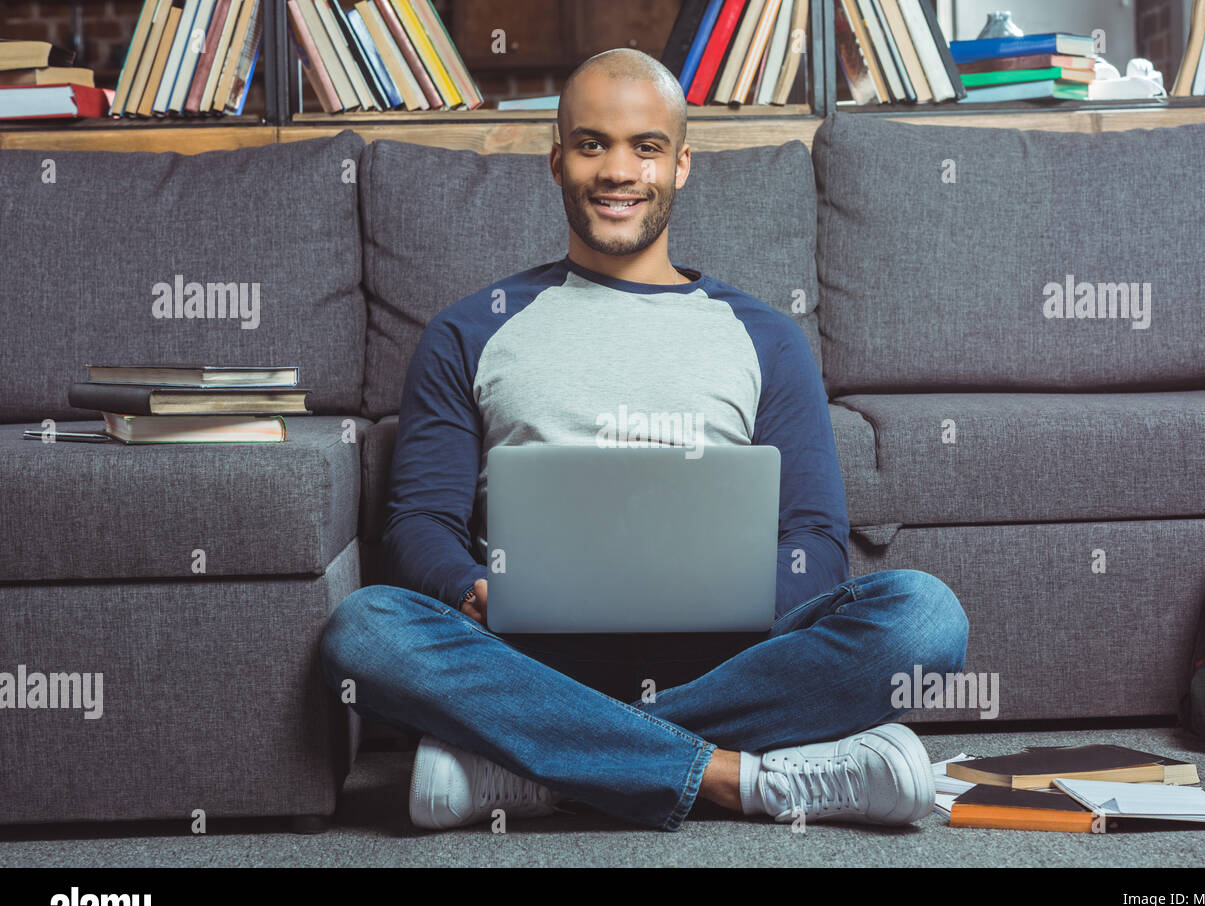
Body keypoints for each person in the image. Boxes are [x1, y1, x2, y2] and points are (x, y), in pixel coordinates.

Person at [320, 48, 969, 833]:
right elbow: (420, 525)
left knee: (926, 619)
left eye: (645, 146)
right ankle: (742, 777)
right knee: (366, 630)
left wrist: (737, 599)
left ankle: (535, 759)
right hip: (528, 655)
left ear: (683, 164)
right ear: (557, 159)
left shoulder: (766, 335)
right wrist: (472, 589)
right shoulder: (470, 328)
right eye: (592, 144)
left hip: (731, 656)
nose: (617, 170)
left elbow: (815, 542)